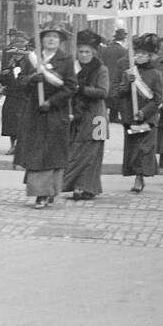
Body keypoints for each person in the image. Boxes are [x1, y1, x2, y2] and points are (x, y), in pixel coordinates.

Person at [13, 25, 76, 209]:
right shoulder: (32, 59)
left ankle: (50, 192)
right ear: (41, 40)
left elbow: (71, 87)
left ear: (60, 41)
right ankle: (40, 193)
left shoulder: (66, 60)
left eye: (55, 37)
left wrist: (52, 102)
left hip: (56, 113)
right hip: (34, 113)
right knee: (37, 154)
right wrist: (32, 79)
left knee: (52, 155)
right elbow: (20, 82)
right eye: (48, 36)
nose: (51, 40)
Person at [110, 32, 163, 193]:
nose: (139, 57)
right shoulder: (127, 70)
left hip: (147, 119)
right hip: (130, 117)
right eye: (137, 54)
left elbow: (157, 99)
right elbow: (117, 92)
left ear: (150, 56)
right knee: (134, 149)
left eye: (143, 54)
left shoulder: (155, 74)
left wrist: (144, 112)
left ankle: (139, 178)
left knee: (144, 148)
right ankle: (136, 174)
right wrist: (128, 83)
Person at [63, 30, 110, 200]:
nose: (83, 55)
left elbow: (103, 92)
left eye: (87, 52)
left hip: (97, 117)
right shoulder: (72, 68)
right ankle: (76, 185)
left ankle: (86, 187)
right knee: (76, 152)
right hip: (77, 115)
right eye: (81, 51)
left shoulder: (101, 69)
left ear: (94, 53)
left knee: (92, 155)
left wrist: (81, 89)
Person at [0, 29, 31, 155]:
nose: (16, 55)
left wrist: (19, 77)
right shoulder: (10, 63)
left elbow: (27, 81)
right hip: (11, 96)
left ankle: (20, 146)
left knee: (21, 123)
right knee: (10, 122)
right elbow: (3, 81)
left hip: (22, 97)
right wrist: (5, 75)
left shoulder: (27, 64)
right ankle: (12, 145)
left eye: (19, 53)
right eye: (14, 53)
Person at [101, 29, 128, 122]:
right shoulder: (123, 51)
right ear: (124, 40)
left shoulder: (105, 50)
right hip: (116, 77)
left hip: (105, 75)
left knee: (105, 97)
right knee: (115, 97)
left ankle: (103, 115)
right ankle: (113, 116)